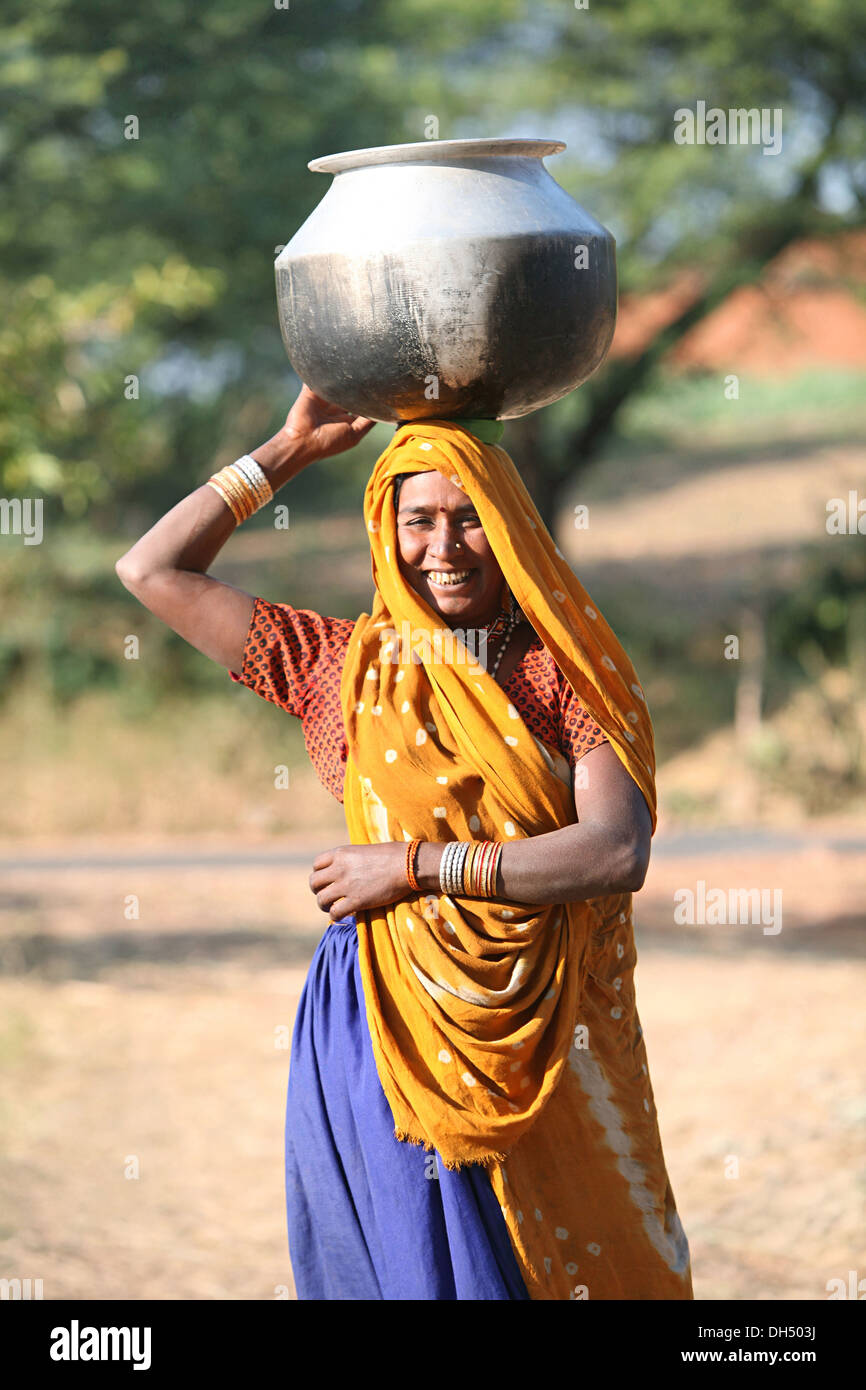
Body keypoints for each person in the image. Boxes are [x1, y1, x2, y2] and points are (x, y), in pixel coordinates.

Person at [116, 384, 693, 1301]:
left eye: (469, 519)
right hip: (384, 1031)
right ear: (385, 530)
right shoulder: (336, 669)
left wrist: (416, 867)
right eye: (417, 520)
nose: (443, 548)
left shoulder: (559, 672)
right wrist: (288, 448)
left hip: (546, 1031)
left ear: (508, 528)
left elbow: (616, 852)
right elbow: (151, 571)